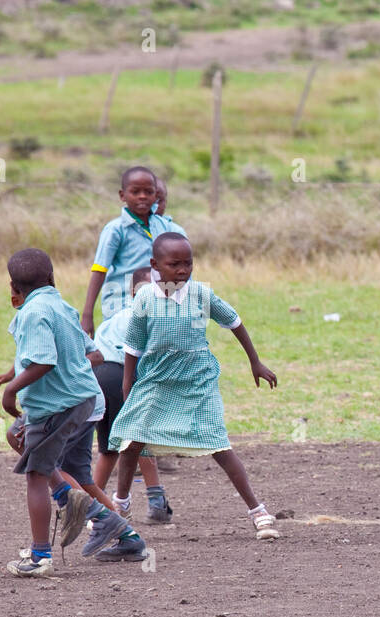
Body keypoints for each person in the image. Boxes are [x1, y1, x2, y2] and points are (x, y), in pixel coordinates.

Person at [109, 233, 281, 541]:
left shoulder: (202, 295)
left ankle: (259, 512)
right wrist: (127, 384)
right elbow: (133, 345)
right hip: (157, 381)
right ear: (154, 265)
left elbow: (234, 322)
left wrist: (255, 362)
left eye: (188, 263)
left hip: (198, 381)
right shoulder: (145, 298)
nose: (183, 270)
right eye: (174, 264)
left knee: (218, 444)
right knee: (131, 441)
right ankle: (119, 507)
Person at [0, 249, 143, 577]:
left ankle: (39, 556)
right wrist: (15, 371)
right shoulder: (61, 306)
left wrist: (11, 389)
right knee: (23, 441)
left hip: (56, 407)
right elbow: (89, 353)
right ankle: (76, 502)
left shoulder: (32, 313)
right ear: (50, 278)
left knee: (35, 474)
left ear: (13, 288)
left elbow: (45, 360)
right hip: (81, 403)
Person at [92, 266, 173, 521]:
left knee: (110, 447)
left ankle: (91, 502)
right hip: (119, 377)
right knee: (136, 440)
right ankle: (154, 501)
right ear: (133, 292)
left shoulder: (115, 318)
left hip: (98, 379)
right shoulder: (150, 319)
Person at [78, 165, 186, 336]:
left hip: (160, 305)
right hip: (122, 305)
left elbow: (184, 271)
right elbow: (99, 270)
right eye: (135, 192)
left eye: (148, 192)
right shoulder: (115, 230)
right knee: (124, 354)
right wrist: (87, 314)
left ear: (155, 195)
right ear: (123, 195)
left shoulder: (167, 228)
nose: (142, 196)